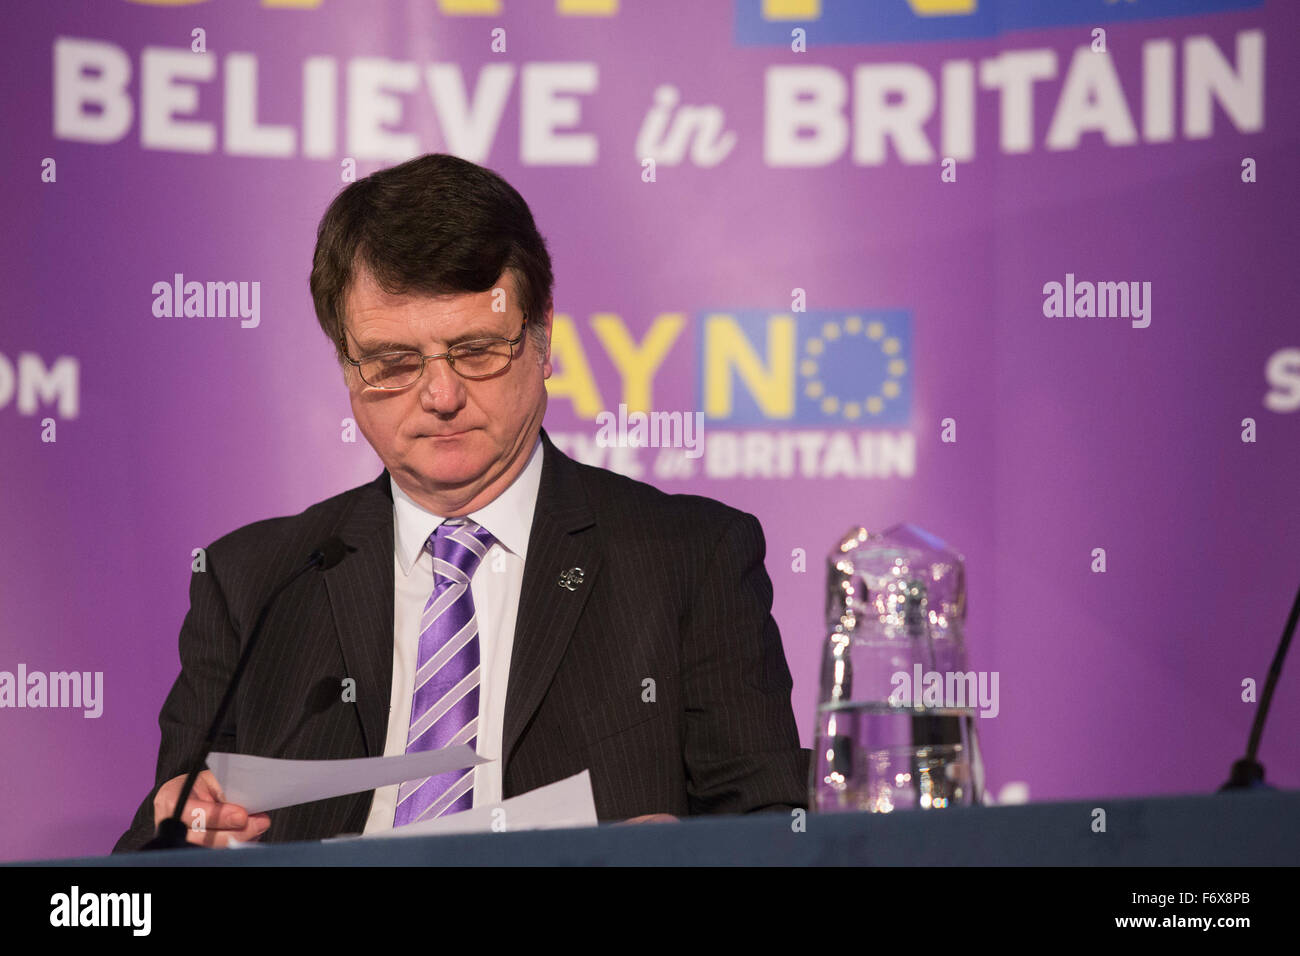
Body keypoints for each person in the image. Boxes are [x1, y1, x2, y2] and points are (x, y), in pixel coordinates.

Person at [113, 153, 809, 851]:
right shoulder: (256, 582)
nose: (441, 396)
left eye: (476, 350)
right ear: (345, 365)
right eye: (393, 364)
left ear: (542, 336)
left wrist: (683, 855)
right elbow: (158, 849)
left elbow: (774, 831)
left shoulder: (689, 558)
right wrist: (177, 832)